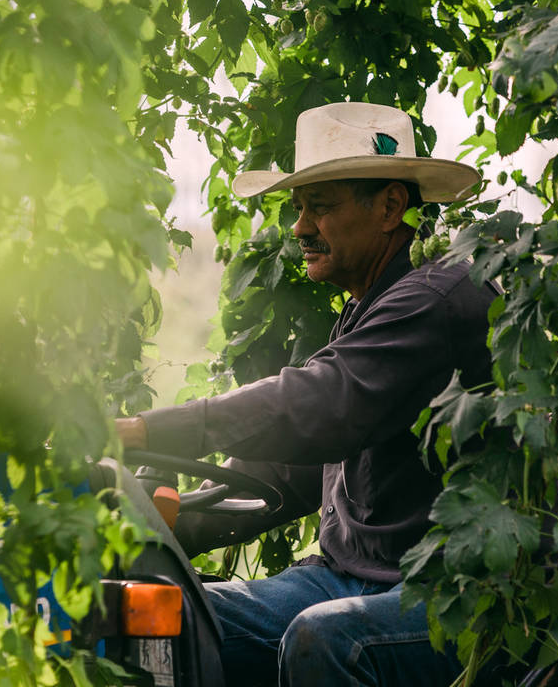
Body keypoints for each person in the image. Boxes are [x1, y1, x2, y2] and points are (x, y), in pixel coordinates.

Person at [117, 102, 498, 686]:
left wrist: (148, 430)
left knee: (323, 637)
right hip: (348, 575)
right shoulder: (367, 307)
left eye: (319, 207)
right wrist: (164, 531)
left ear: (391, 206)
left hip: (452, 589)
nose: (299, 228)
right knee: (161, 615)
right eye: (298, 209)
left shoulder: (434, 297)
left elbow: (324, 399)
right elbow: (286, 471)